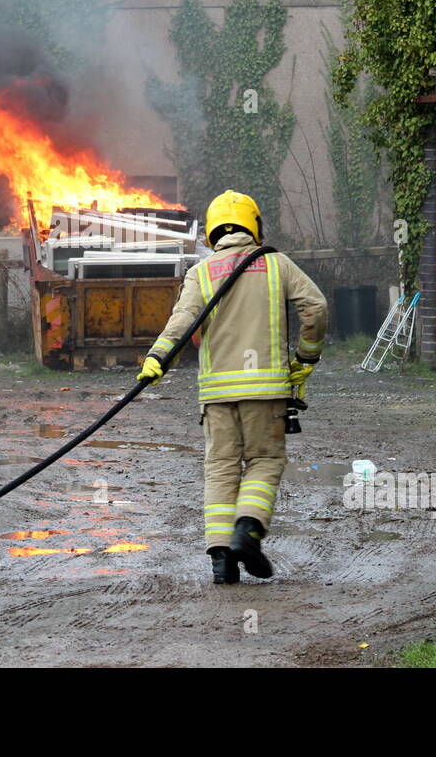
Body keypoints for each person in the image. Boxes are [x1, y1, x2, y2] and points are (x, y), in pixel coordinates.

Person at [137, 190, 327, 583]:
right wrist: (306, 358)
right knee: (264, 461)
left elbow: (181, 322)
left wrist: (156, 360)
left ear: (212, 231)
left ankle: (222, 561)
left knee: (221, 468)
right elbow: (316, 308)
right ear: (254, 225)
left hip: (217, 394)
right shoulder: (276, 264)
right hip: (267, 390)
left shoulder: (200, 273)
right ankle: (249, 529)